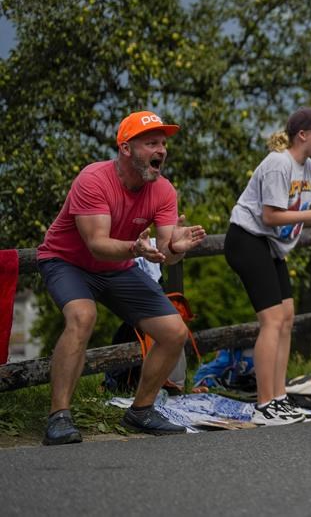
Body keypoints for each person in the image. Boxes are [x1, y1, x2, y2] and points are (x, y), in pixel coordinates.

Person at [36, 111, 207, 444]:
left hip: (117, 267)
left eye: (163, 144)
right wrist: (136, 248)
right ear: (126, 148)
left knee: (174, 331)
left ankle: (140, 411)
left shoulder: (163, 190)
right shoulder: (93, 179)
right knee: (83, 316)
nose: (161, 150)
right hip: (66, 262)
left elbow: (166, 250)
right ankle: (59, 417)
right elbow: (97, 245)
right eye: (151, 143)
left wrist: (177, 248)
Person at [225, 107, 311, 426]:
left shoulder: (308, 167)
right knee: (272, 320)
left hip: (269, 245)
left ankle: (279, 397)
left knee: (286, 317)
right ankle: (264, 405)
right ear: (302, 135)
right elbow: (271, 215)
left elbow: (296, 212)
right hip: (246, 239)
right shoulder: (278, 163)